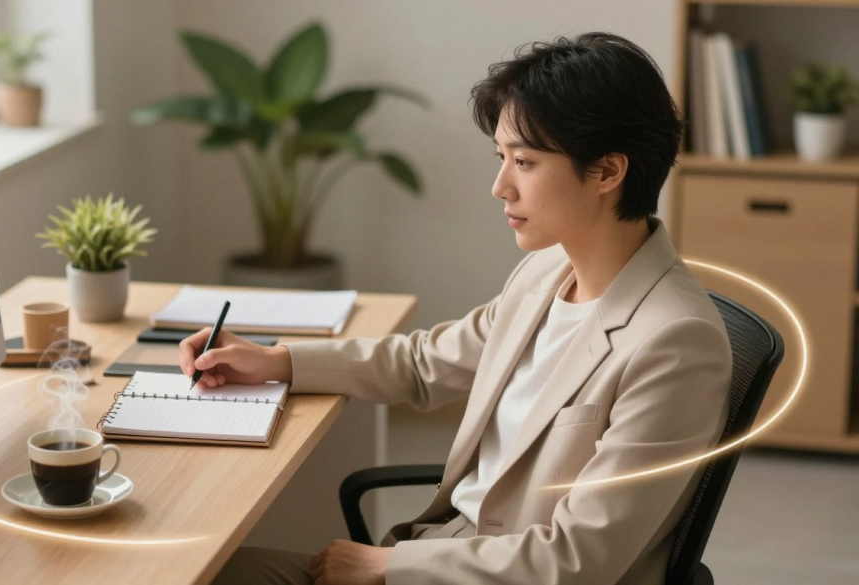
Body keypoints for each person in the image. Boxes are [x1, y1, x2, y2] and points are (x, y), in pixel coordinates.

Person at [187, 31, 733, 585]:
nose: (500, 186)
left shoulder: (675, 342)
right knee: (193, 569)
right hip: (445, 551)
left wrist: (387, 564)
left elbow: (579, 559)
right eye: (501, 158)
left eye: (524, 162)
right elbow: (424, 363)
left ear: (609, 172)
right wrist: (278, 361)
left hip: (480, 573)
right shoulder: (546, 272)